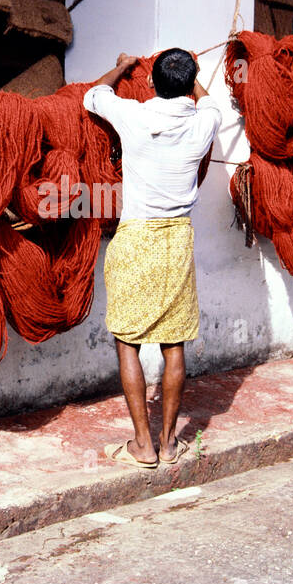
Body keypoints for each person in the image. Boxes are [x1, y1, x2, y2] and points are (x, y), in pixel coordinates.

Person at [83, 49, 221, 469]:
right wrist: (191, 74)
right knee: (173, 342)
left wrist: (124, 64)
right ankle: (169, 443)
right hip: (177, 238)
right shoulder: (205, 121)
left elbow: (93, 95)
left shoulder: (132, 115)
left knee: (127, 341)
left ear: (149, 84)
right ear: (191, 83)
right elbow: (208, 99)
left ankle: (142, 446)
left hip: (137, 236)